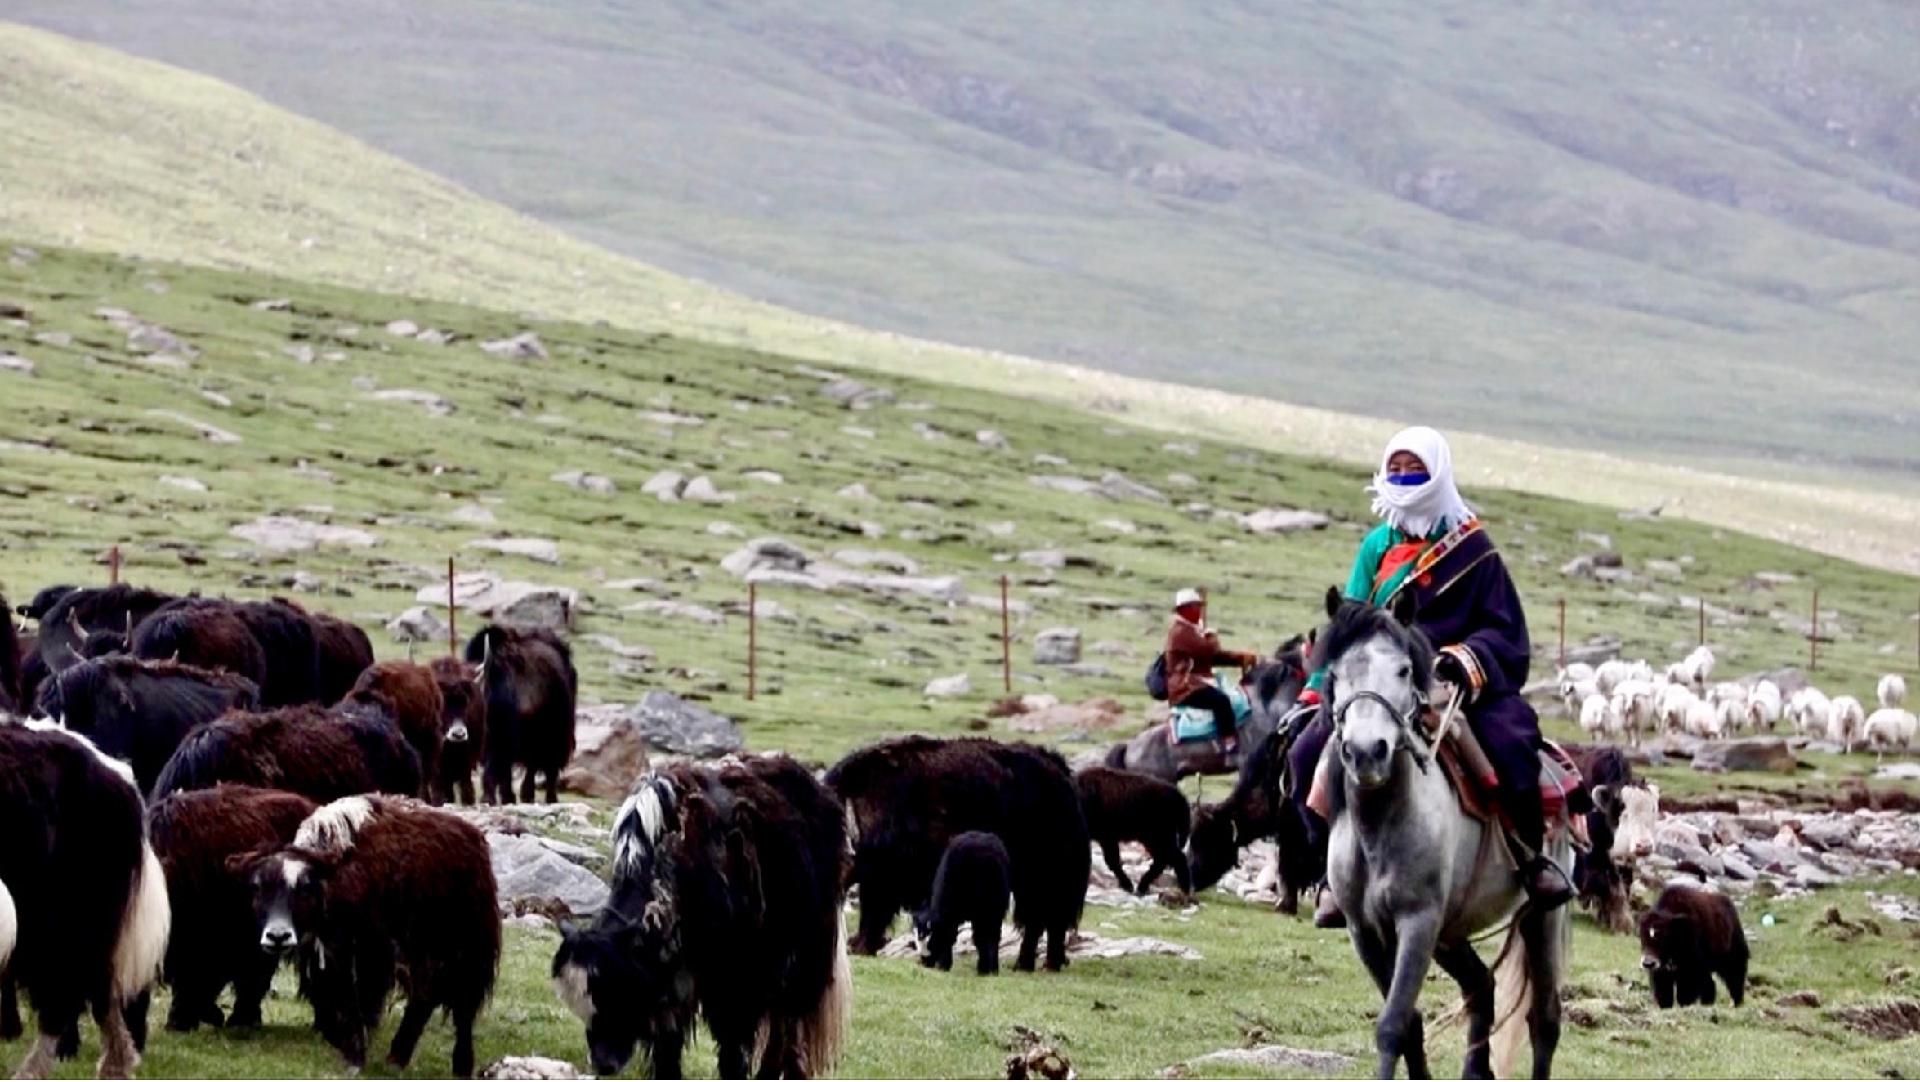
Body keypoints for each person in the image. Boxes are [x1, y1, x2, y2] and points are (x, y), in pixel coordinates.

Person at [1290, 426, 1572, 927]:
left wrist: (1466, 658)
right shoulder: (1377, 545)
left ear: (1438, 472)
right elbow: (1351, 621)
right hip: (1381, 680)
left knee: (1510, 741)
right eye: (1394, 468)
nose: (1402, 477)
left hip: (1453, 680)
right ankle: (1330, 877)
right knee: (1305, 750)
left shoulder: (1474, 550)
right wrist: (1323, 685)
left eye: (1414, 468)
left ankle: (1531, 860)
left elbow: (1504, 626)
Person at [1165, 589, 1259, 743]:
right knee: (1220, 701)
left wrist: (1240, 658)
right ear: (1185, 610)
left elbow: (1212, 657)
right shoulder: (1181, 633)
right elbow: (1208, 651)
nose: (1200, 611)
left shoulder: (1191, 630)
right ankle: (1228, 740)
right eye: (1197, 607)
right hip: (1185, 686)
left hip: (1196, 680)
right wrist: (1211, 637)